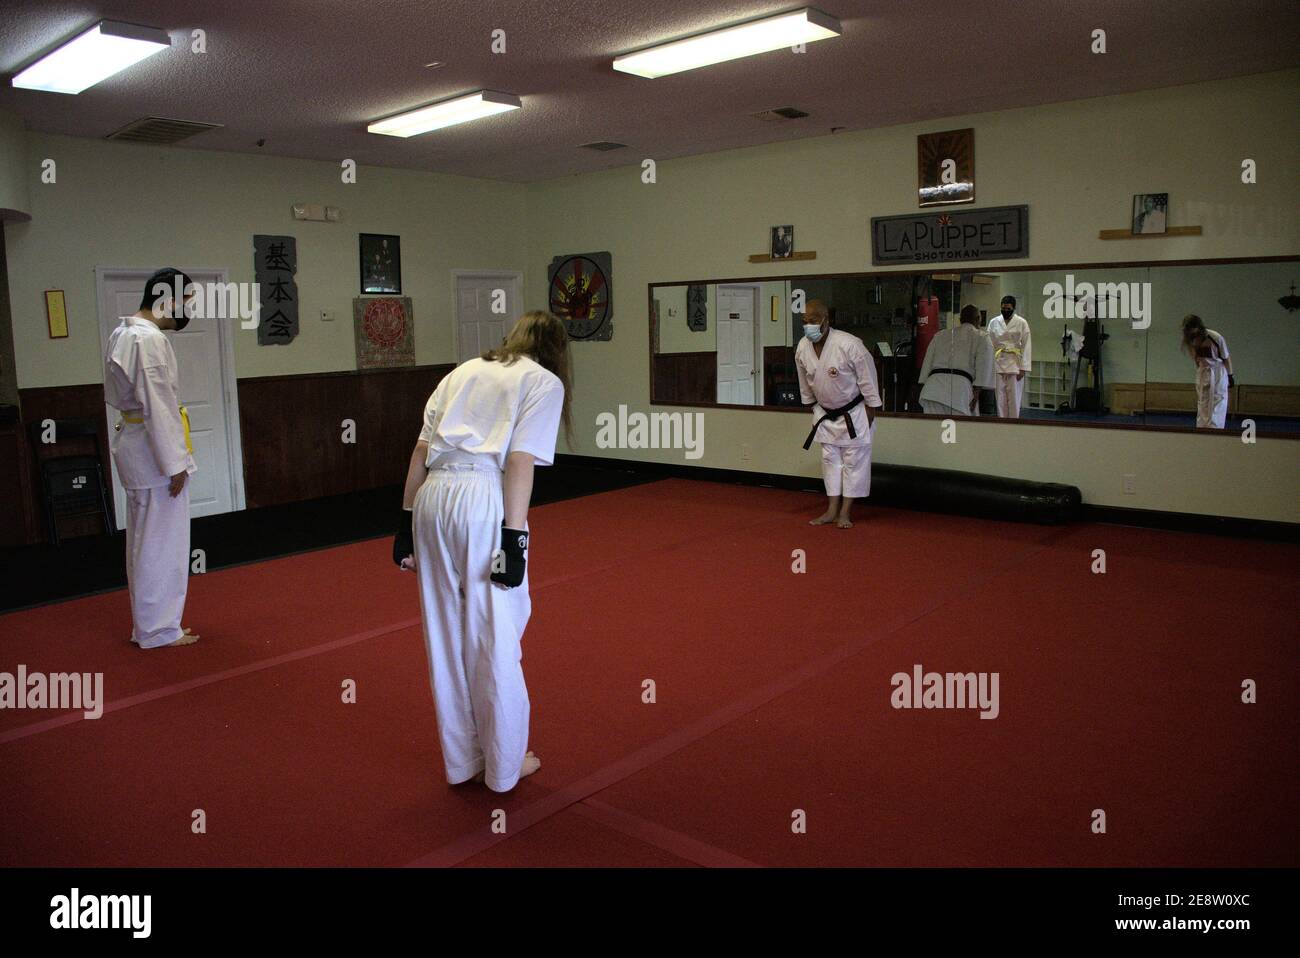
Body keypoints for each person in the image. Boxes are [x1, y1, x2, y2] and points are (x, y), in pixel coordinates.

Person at [394, 310, 572, 793]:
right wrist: (514, 539)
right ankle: (505, 765)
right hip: (481, 502)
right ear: (557, 350)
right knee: (494, 632)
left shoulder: (462, 371)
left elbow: (419, 450)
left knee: (444, 632)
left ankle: (464, 759)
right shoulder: (543, 381)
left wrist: (405, 524)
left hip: (432, 499)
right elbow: (518, 461)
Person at [103, 268, 199, 649]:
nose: (187, 311)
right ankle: (159, 629)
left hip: (136, 444)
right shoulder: (148, 341)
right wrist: (176, 463)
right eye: (186, 303)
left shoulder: (123, 333)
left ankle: (148, 625)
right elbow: (158, 405)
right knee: (162, 542)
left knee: (144, 540)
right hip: (152, 451)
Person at [795, 299, 882, 529]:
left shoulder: (850, 344)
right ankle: (831, 509)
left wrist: (870, 410)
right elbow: (805, 381)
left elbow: (868, 378)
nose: (808, 326)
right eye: (804, 321)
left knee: (854, 464)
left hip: (854, 413)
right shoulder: (803, 346)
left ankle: (845, 512)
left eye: (813, 321)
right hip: (825, 414)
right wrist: (811, 405)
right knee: (830, 462)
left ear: (826, 319)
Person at [917, 304, 995, 416]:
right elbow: (984, 366)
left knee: (935, 430)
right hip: (959, 391)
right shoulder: (982, 337)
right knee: (959, 430)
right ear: (978, 319)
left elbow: (927, 363)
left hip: (932, 390)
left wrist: (922, 385)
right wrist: (977, 393)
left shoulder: (940, 335)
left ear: (960, 320)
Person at [1181, 314, 1234, 429]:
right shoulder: (1189, 340)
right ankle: (1202, 428)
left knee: (1217, 402)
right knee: (1203, 402)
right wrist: (1201, 370)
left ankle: (1216, 429)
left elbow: (1226, 358)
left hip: (1217, 372)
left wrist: (1230, 376)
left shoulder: (1215, 337)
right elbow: (1196, 359)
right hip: (1203, 372)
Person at [987, 295, 1032, 417]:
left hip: (1015, 363)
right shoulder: (994, 322)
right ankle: (1001, 422)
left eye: (1008, 309)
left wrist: (1023, 368)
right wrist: (989, 365)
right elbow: (989, 344)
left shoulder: (1021, 322)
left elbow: (1026, 345)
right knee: (1000, 399)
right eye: (1003, 308)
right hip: (998, 361)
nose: (1005, 311)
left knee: (1014, 398)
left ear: (1014, 308)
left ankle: (1014, 421)